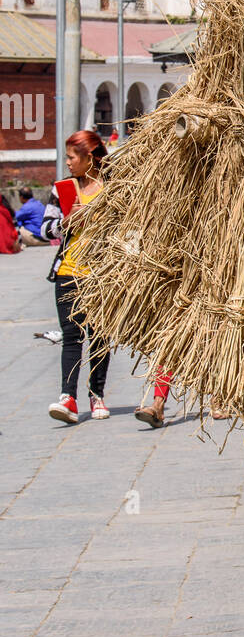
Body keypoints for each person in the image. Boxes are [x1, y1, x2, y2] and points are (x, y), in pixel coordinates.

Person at [43, 130, 111, 424]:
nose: (67, 162)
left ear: (89, 157)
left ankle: (97, 395)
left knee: (99, 336)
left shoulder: (114, 189)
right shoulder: (62, 190)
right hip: (68, 272)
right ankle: (67, 397)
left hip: (102, 274)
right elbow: (45, 229)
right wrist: (66, 222)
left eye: (72, 157)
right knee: (72, 336)